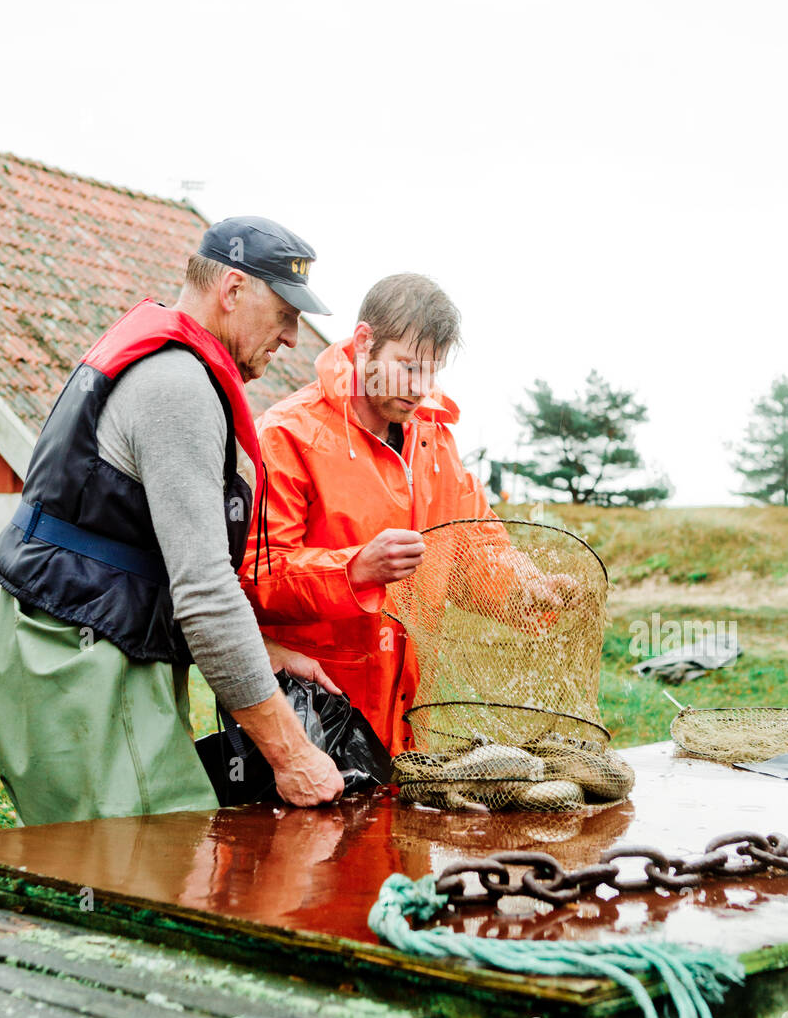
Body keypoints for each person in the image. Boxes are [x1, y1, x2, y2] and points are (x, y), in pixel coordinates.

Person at [0, 216, 344, 825]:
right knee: (153, 865)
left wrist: (262, 650)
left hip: (72, 653)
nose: (291, 338)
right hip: (86, 669)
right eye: (285, 314)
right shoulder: (178, 387)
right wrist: (293, 754)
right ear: (232, 291)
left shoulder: (169, 365)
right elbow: (204, 595)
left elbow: (141, 560)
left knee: (109, 872)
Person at [239, 272, 579, 754]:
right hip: (311, 715)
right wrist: (355, 570)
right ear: (364, 343)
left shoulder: (435, 440)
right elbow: (254, 578)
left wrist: (526, 588)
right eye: (408, 367)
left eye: (432, 372)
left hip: (404, 712)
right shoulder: (287, 435)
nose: (421, 388)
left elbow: (478, 548)